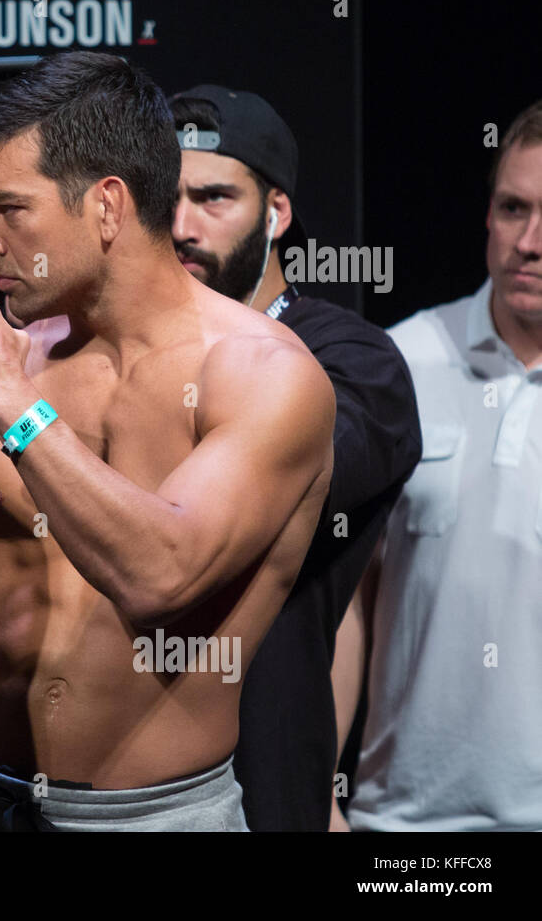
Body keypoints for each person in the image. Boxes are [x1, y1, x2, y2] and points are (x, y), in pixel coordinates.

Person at [0, 51, 336, 831]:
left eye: (10, 208)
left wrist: (6, 400)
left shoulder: (263, 375)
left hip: (146, 817)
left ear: (106, 206)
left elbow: (158, 576)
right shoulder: (9, 349)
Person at [169, 85, 421, 831]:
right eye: (166, 197)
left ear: (276, 214)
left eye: (213, 198)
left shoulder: (354, 360)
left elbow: (256, 501)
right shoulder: (114, 346)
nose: (180, 227)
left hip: (265, 779)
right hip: (109, 784)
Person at [343, 99, 542, 831]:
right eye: (513, 208)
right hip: (402, 826)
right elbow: (344, 604)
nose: (531, 241)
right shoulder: (402, 366)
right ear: (487, 217)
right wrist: (317, 799)